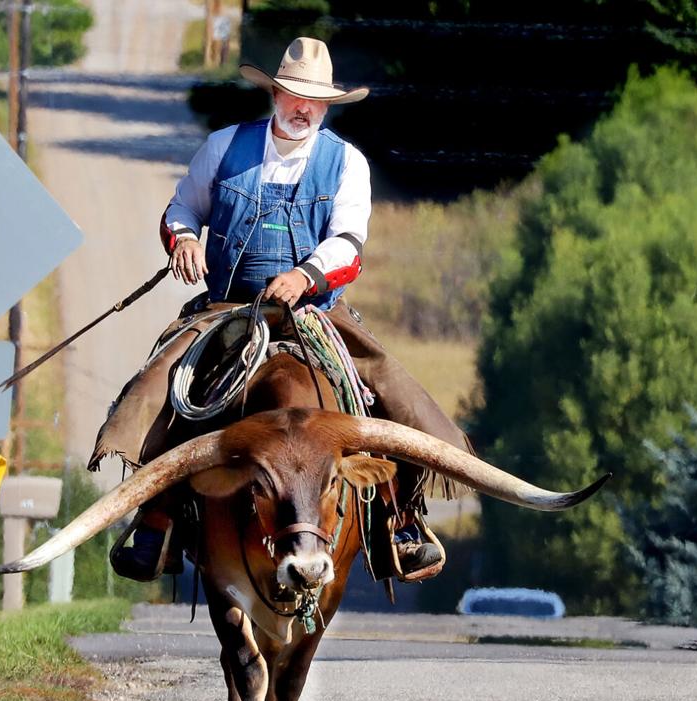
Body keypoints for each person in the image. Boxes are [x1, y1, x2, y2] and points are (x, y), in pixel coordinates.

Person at [92, 37, 473, 583]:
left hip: (316, 312)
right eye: (294, 94)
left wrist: (305, 275)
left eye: (315, 100)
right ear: (274, 93)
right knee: (164, 385)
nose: (303, 108)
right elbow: (181, 209)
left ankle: (400, 520)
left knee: (385, 390)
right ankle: (155, 520)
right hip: (227, 309)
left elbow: (348, 243)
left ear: (326, 106)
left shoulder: (346, 163)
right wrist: (185, 242)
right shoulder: (224, 146)